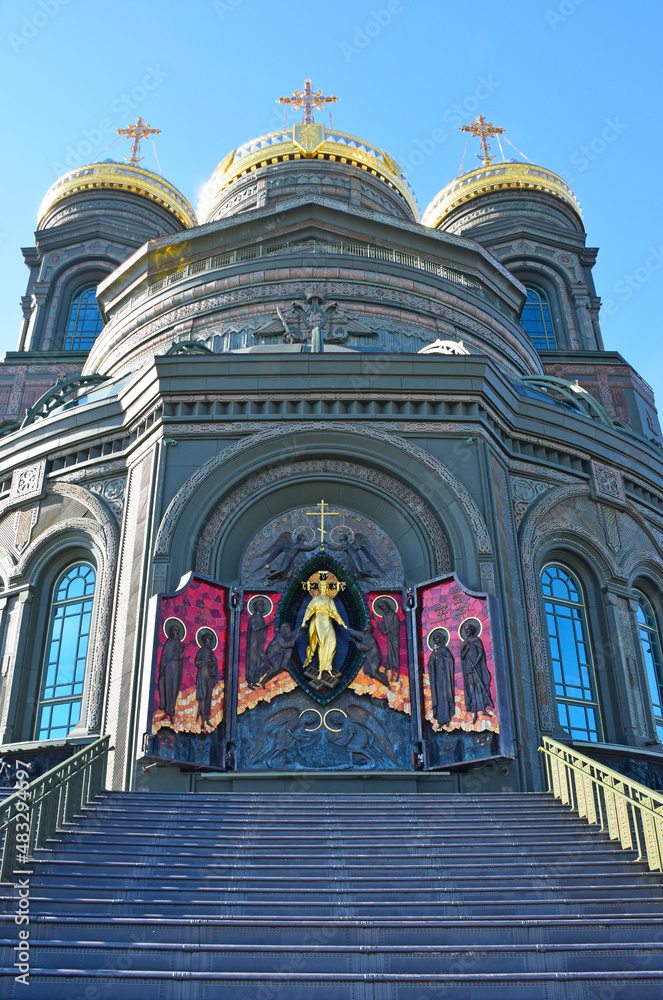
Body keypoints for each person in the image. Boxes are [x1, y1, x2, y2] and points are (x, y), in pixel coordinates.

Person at [302, 578, 348, 678]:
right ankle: (321, 669)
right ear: (319, 588)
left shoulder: (329, 599)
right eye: (321, 587)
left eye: (325, 587)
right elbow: (309, 609)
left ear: (327, 588)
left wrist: (342, 623)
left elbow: (335, 612)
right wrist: (304, 621)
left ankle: (328, 667)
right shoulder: (316, 599)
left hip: (328, 621)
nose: (323, 588)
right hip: (319, 620)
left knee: (332, 643)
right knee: (322, 644)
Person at [460, 621, 494, 723]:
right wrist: (467, 648)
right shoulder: (465, 643)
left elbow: (480, 653)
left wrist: (475, 663)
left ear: (472, 630)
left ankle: (483, 710)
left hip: (477, 666)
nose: (467, 632)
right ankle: (474, 712)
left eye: (468, 630)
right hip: (468, 669)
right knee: (471, 689)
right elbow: (462, 656)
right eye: (465, 630)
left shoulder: (476, 640)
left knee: (479, 687)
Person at [427, 629, 455, 726]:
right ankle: (440, 720)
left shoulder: (444, 650)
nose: (436, 639)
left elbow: (450, 660)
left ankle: (447, 719)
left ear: (441, 639)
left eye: (437, 637)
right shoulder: (434, 652)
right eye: (434, 638)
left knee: (446, 695)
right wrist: (433, 658)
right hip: (437, 678)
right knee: (438, 697)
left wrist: (442, 657)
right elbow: (430, 665)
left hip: (444, 677)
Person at [348, 624, 390, 688]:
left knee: (374, 673)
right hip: (369, 657)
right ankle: (379, 674)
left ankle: (387, 684)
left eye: (366, 627)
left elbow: (365, 647)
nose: (365, 627)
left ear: (369, 629)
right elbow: (355, 633)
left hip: (375, 658)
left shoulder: (371, 639)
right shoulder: (364, 635)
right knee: (366, 670)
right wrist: (347, 629)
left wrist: (355, 642)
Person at [159, 623, 185, 721]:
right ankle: (166, 712)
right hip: (169, 667)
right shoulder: (168, 643)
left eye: (178, 631)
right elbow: (164, 657)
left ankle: (172, 712)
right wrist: (162, 670)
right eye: (175, 631)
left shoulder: (179, 644)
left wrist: (185, 649)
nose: (176, 633)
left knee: (174, 690)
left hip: (176, 668)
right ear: (171, 632)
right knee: (168, 688)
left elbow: (181, 658)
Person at [195, 630, 219, 728]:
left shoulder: (211, 652)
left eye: (211, 640)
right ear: (205, 641)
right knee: (203, 695)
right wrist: (205, 662)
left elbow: (215, 665)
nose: (210, 642)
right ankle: (201, 718)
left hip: (209, 676)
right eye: (208, 640)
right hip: (202, 675)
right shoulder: (201, 651)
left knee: (208, 696)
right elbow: (197, 662)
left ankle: (206, 718)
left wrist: (212, 665)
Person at [376, 598, 401, 682]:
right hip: (389, 638)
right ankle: (391, 673)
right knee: (390, 654)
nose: (382, 608)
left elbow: (396, 626)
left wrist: (388, 630)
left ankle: (397, 674)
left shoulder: (393, 615)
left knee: (395, 653)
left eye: (382, 606)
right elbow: (383, 627)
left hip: (394, 637)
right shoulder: (385, 616)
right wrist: (376, 620)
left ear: (386, 604)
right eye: (380, 607)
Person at [246, 597, 268, 688]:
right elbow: (255, 628)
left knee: (259, 660)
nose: (262, 608)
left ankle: (255, 680)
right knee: (253, 660)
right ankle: (249, 682)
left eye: (263, 606)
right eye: (261, 606)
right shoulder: (254, 617)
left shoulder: (261, 617)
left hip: (259, 642)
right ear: (257, 607)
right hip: (254, 642)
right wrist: (266, 625)